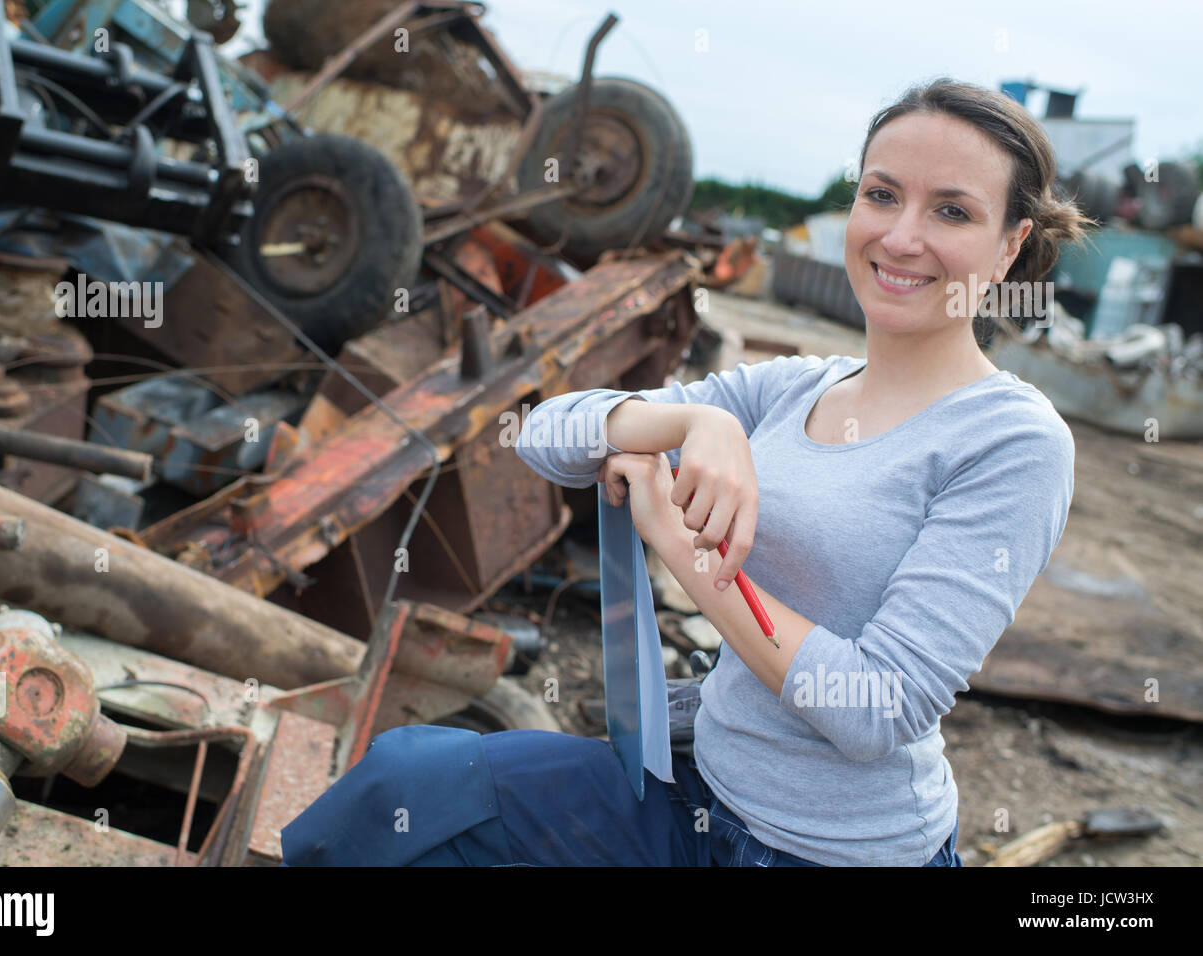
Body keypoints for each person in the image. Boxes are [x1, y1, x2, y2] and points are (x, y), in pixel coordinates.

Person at [280, 77, 1092, 867]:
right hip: (692, 786)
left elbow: (875, 706)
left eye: (951, 210)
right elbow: (542, 434)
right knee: (405, 792)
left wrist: (681, 544)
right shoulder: (795, 387)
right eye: (881, 195)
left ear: (1011, 243)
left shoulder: (1012, 441)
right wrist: (695, 421)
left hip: (824, 847)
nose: (902, 236)